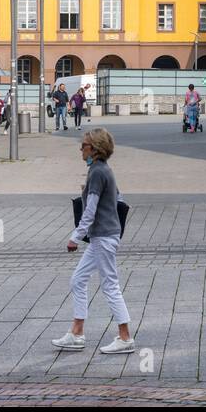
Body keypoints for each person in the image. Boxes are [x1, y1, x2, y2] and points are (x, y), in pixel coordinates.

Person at [53, 127, 133, 354]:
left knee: (110, 286)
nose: (81, 149)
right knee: (78, 280)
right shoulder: (102, 170)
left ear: (95, 149)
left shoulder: (98, 172)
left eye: (84, 146)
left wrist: (75, 237)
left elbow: (90, 210)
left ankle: (125, 337)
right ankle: (77, 333)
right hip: (104, 235)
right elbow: (118, 198)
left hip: (104, 237)